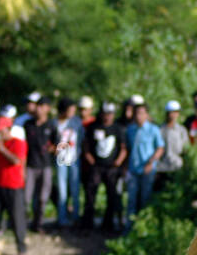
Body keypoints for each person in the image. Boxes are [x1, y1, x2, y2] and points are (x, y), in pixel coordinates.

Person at [0, 112, 29, 255]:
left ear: (8, 129)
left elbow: (17, 161)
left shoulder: (18, 143)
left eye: (1, 130)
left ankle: (21, 248)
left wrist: (2, 149)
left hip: (14, 186)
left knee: (17, 218)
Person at [80, 101, 126, 232]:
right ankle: (87, 223)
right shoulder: (93, 127)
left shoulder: (118, 128)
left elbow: (123, 147)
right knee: (90, 195)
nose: (107, 116)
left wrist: (118, 161)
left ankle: (108, 224)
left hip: (111, 167)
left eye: (110, 114)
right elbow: (86, 144)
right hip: (96, 166)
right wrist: (89, 158)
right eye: (105, 113)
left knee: (111, 195)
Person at [125, 102, 164, 226]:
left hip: (147, 170)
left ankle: (143, 227)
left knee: (144, 199)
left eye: (142, 113)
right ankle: (129, 227)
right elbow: (127, 148)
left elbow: (160, 148)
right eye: (136, 113)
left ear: (147, 115)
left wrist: (151, 162)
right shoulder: (130, 130)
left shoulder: (153, 129)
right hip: (133, 169)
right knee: (131, 200)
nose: (139, 116)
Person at [23, 97, 58, 232]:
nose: (38, 109)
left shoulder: (51, 126)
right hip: (30, 166)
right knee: (26, 197)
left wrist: (52, 149)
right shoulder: (28, 124)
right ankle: (23, 223)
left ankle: (38, 224)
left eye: (42, 106)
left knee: (43, 198)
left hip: (45, 166)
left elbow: (58, 145)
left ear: (47, 109)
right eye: (37, 105)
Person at [54, 97, 83, 228]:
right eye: (71, 109)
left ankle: (76, 217)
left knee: (75, 190)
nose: (73, 112)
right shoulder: (55, 123)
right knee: (62, 191)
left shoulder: (77, 122)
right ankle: (62, 218)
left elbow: (82, 139)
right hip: (60, 160)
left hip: (74, 160)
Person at [155, 99, 187, 196]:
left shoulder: (182, 130)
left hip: (177, 167)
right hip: (162, 168)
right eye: (171, 112)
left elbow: (185, 149)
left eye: (175, 112)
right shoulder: (160, 130)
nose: (173, 115)